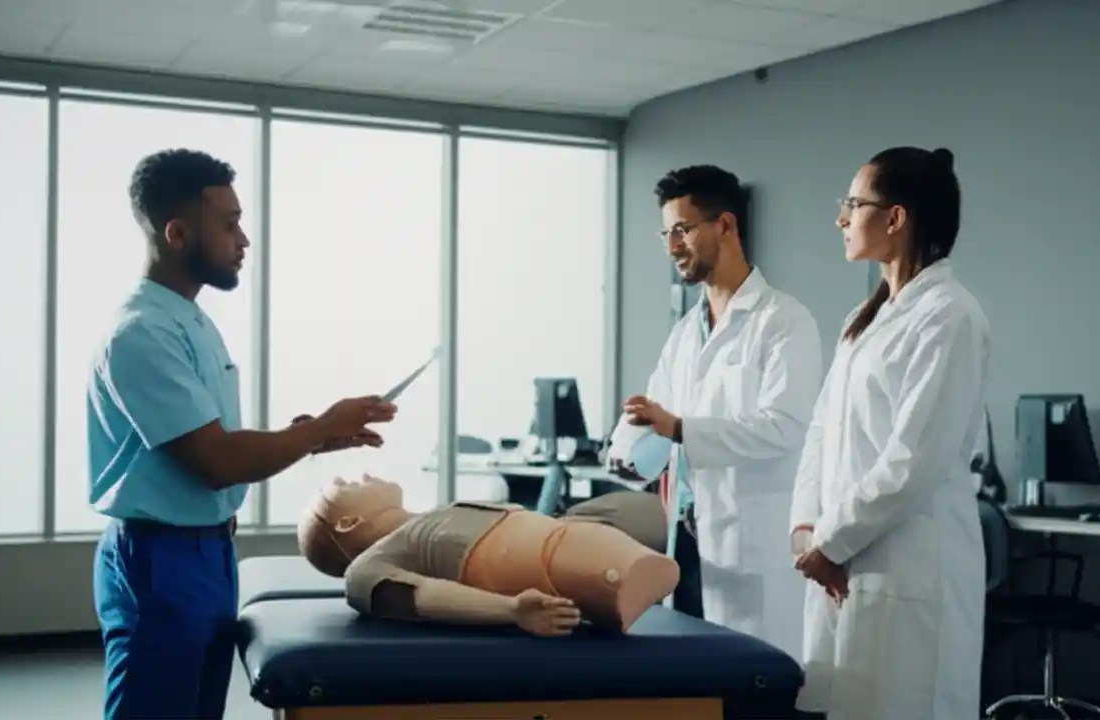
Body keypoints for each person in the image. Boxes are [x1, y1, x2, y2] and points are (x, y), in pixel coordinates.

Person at [88, 148, 397, 720]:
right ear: (178, 233)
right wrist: (319, 428)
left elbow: (210, 439)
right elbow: (216, 460)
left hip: (206, 552)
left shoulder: (190, 322)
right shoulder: (142, 333)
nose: (244, 239)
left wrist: (311, 435)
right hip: (161, 561)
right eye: (229, 225)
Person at [789, 146, 990, 720]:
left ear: (895, 218)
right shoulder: (865, 319)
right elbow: (822, 432)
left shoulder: (950, 316)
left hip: (908, 565)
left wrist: (830, 542)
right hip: (846, 561)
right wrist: (806, 529)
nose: (841, 219)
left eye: (853, 204)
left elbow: (913, 461)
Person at [609, 164, 822, 657]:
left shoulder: (784, 321)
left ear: (725, 225)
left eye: (682, 230)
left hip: (753, 541)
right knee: (691, 684)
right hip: (686, 541)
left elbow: (784, 428)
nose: (671, 246)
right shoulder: (686, 332)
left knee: (756, 684)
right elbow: (652, 413)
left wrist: (679, 428)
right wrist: (627, 448)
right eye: (666, 233)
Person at [299, 475, 679, 635]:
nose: (361, 474)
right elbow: (422, 598)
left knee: (676, 526)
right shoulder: (368, 567)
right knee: (661, 557)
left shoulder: (429, 517)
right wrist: (512, 611)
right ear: (348, 522)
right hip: (565, 560)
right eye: (345, 484)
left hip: (574, 529)